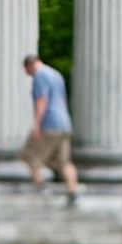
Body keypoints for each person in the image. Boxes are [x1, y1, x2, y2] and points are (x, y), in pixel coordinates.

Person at [19, 53, 78, 194]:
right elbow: (63, 99)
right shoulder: (56, 75)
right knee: (64, 161)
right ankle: (73, 190)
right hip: (64, 124)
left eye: (27, 71)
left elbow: (42, 99)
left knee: (28, 155)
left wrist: (37, 124)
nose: (28, 75)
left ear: (29, 65)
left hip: (50, 123)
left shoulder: (40, 75)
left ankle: (41, 186)